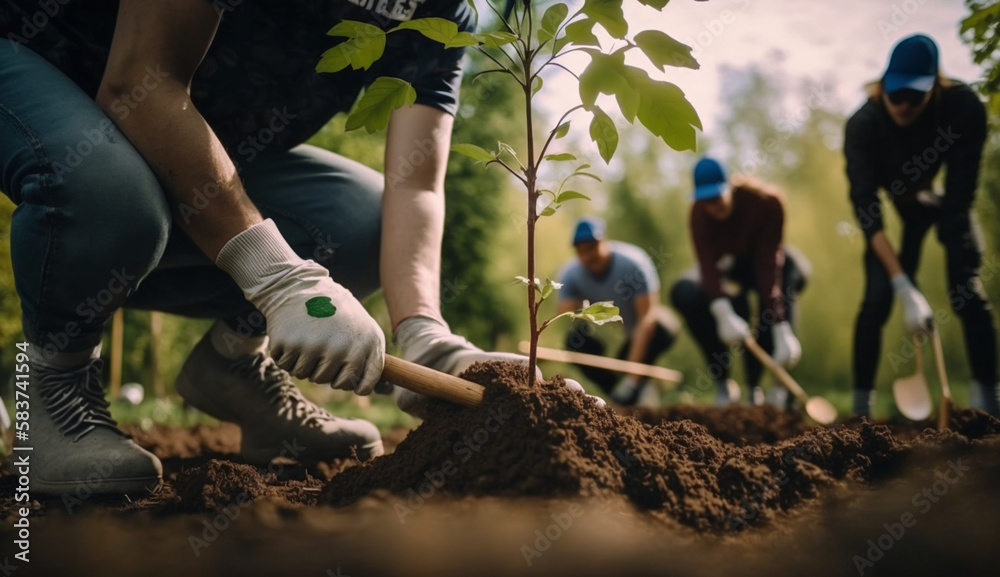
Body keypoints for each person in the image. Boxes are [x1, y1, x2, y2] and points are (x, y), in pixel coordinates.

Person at [0, 0, 549, 496]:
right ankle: (55, 379)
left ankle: (231, 366)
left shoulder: (442, 13)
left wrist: (425, 332)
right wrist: (279, 276)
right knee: (113, 193)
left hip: (179, 135)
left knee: (360, 222)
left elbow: (416, 186)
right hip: (38, 61)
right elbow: (139, 82)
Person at [844, 33, 998, 418]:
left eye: (915, 96)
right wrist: (902, 283)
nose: (904, 105)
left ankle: (988, 401)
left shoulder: (964, 109)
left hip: (943, 202)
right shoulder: (863, 125)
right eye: (896, 94)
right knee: (877, 299)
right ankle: (860, 410)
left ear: (934, 88)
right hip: (893, 212)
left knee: (965, 286)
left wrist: (952, 223)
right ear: (883, 84)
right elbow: (868, 212)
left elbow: (961, 195)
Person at [670, 157, 806, 406]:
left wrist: (779, 323)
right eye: (706, 200)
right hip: (731, 269)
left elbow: (767, 264)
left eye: (717, 197)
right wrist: (722, 310)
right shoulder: (699, 213)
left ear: (729, 188)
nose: (713, 206)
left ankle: (776, 390)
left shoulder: (767, 204)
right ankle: (729, 387)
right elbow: (707, 264)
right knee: (687, 293)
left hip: (770, 265)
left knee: (771, 308)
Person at [556, 217, 680, 406]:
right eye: (581, 251)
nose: (588, 256)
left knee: (662, 327)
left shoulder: (634, 264)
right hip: (607, 341)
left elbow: (647, 318)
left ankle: (636, 388)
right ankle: (619, 395)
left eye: (592, 248)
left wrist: (633, 374)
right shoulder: (571, 274)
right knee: (574, 341)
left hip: (638, 335)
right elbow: (563, 314)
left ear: (605, 241)